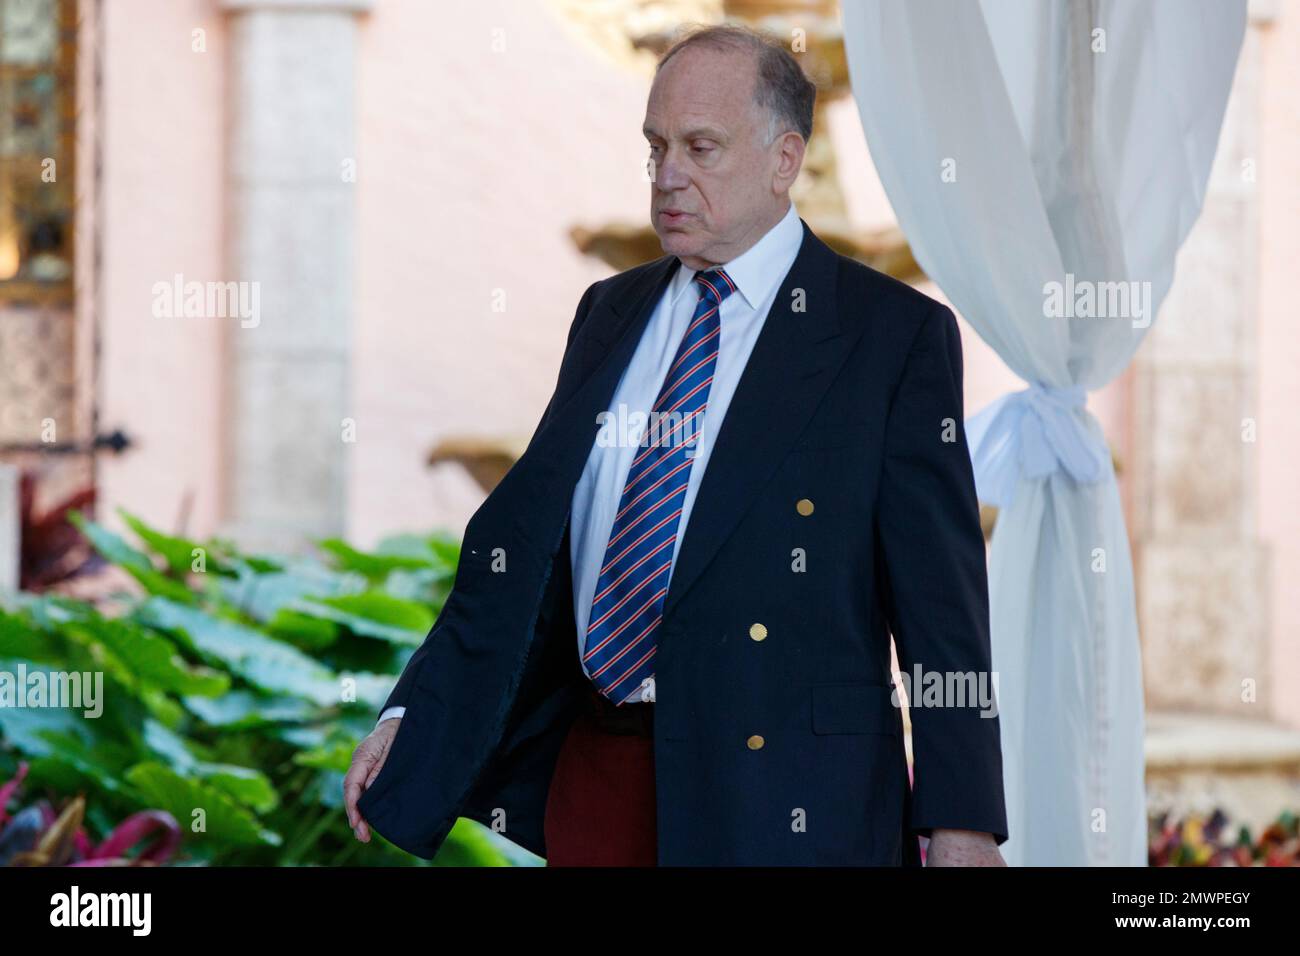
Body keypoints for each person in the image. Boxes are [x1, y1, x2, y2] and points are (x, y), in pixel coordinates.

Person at [345, 23, 1007, 866]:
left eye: (701, 147)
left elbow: (943, 610)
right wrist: (413, 715)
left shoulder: (890, 336)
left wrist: (962, 822)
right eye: (656, 146)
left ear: (785, 158)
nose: (667, 177)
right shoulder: (607, 313)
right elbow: (526, 553)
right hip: (603, 775)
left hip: (789, 800)